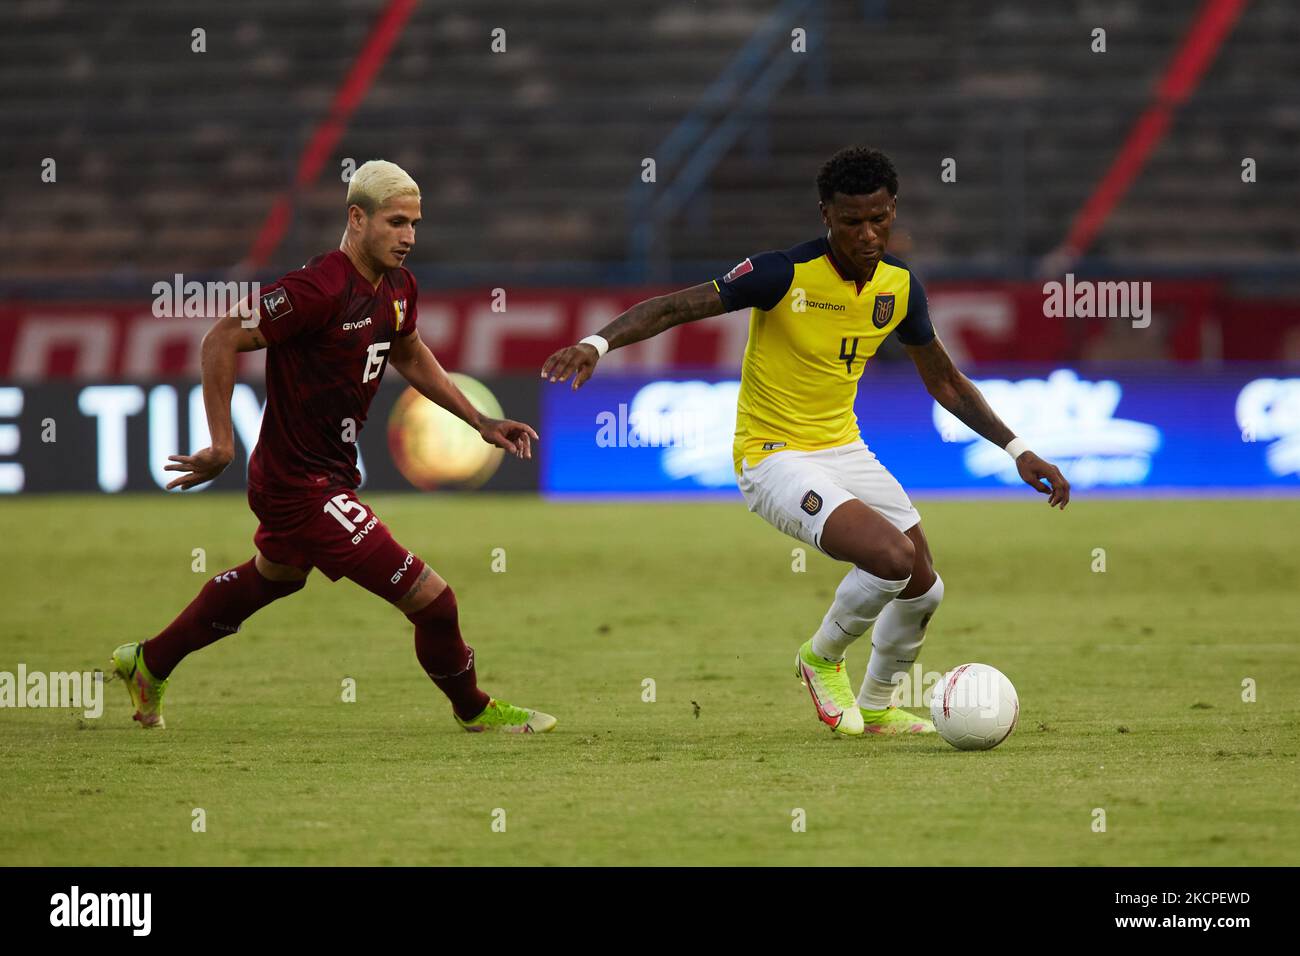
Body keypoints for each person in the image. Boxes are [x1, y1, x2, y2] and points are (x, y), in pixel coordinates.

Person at [542, 146, 1068, 736]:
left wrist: (1018, 449)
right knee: (890, 560)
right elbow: (677, 306)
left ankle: (874, 710)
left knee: (923, 587)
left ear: (893, 209)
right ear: (826, 215)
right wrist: (596, 343)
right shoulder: (781, 273)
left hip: (844, 449)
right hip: (772, 457)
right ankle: (820, 658)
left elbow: (944, 380)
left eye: (879, 219)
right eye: (851, 222)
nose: (867, 235)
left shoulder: (900, 287)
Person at [112, 160, 556, 734]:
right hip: (299, 486)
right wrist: (221, 443)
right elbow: (220, 338)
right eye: (396, 223)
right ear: (356, 218)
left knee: (274, 578)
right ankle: (475, 709)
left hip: (329, 474)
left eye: (415, 224)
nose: (409, 237)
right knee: (433, 600)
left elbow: (409, 353)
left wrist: (478, 420)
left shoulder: (398, 286)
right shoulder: (315, 289)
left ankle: (149, 661)